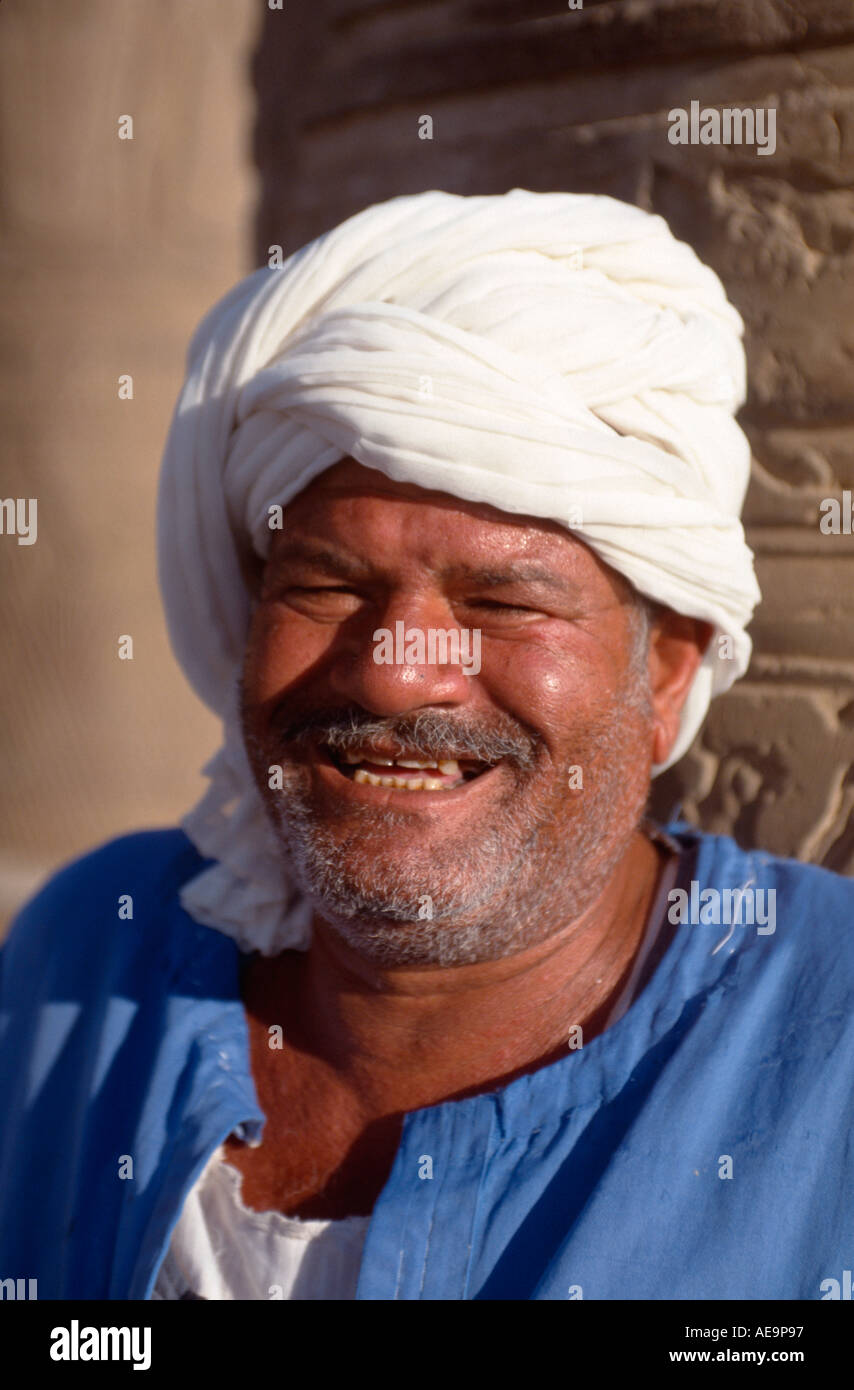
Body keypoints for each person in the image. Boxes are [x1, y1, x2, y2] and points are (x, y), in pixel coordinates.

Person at [1, 190, 852, 1302]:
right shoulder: (85, 956)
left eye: (501, 600)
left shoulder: (826, 1038)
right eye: (326, 585)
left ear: (664, 669)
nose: (395, 669)